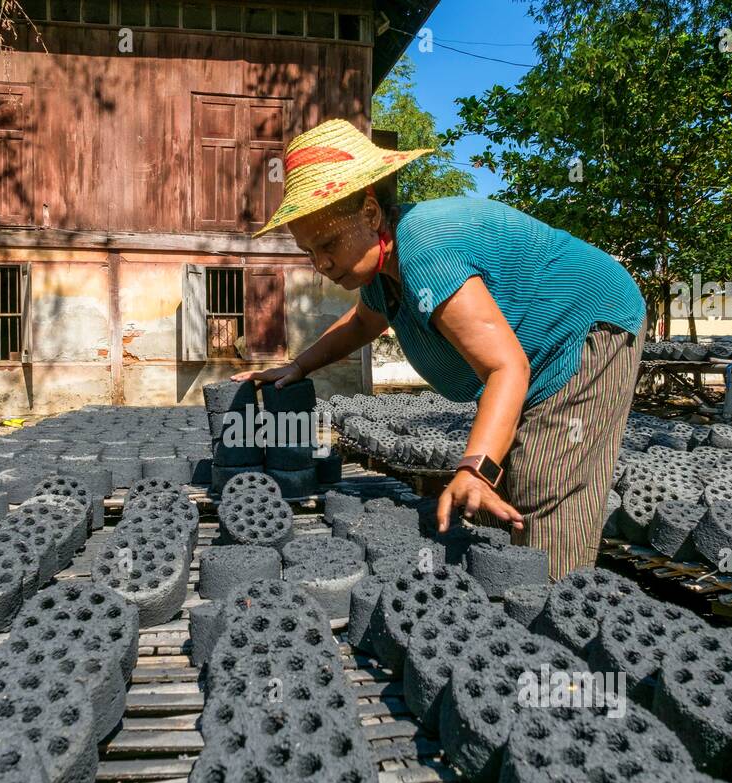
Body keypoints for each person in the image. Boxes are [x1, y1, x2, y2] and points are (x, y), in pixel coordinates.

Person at [231, 119, 647, 579]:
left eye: (328, 243)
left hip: (587, 324)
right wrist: (298, 365)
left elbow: (505, 369)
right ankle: (500, 582)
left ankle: (555, 603)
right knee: (492, 488)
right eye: (309, 252)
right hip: (529, 355)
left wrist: (475, 468)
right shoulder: (383, 273)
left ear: (371, 214)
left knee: (542, 480)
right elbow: (363, 322)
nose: (322, 263)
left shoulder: (426, 248)